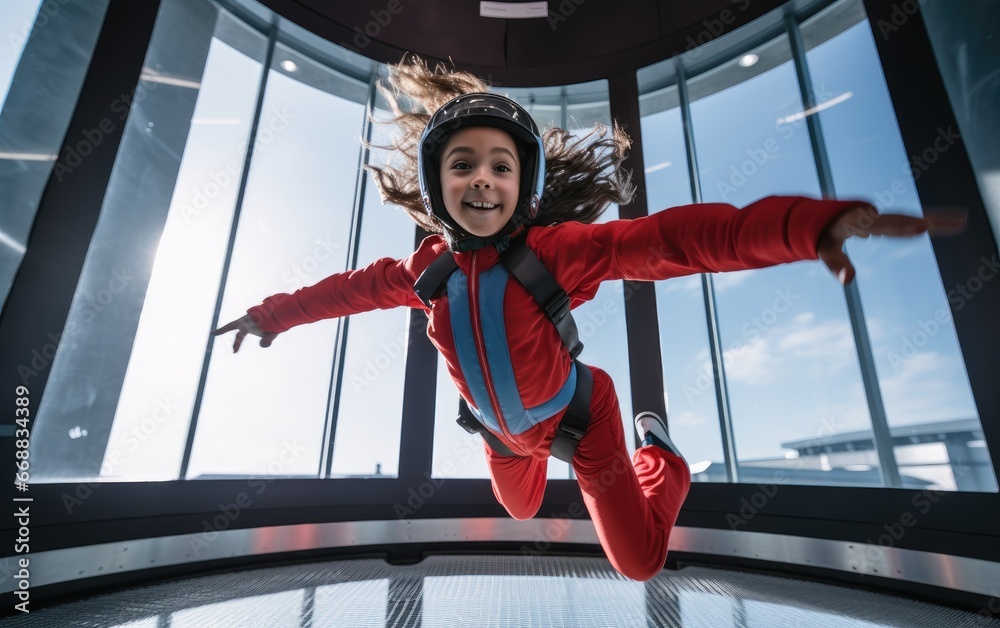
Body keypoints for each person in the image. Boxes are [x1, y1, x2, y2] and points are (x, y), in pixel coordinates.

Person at [213, 56, 963, 581]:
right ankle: (536, 463)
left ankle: (661, 459)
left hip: (583, 416)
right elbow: (342, 291)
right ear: (439, 188)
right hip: (505, 435)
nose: (483, 177)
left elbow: (678, 240)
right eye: (464, 163)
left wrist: (809, 226)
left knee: (641, 565)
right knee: (520, 506)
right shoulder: (424, 273)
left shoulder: (558, 251)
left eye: (501, 166)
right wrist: (270, 316)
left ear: (526, 189)